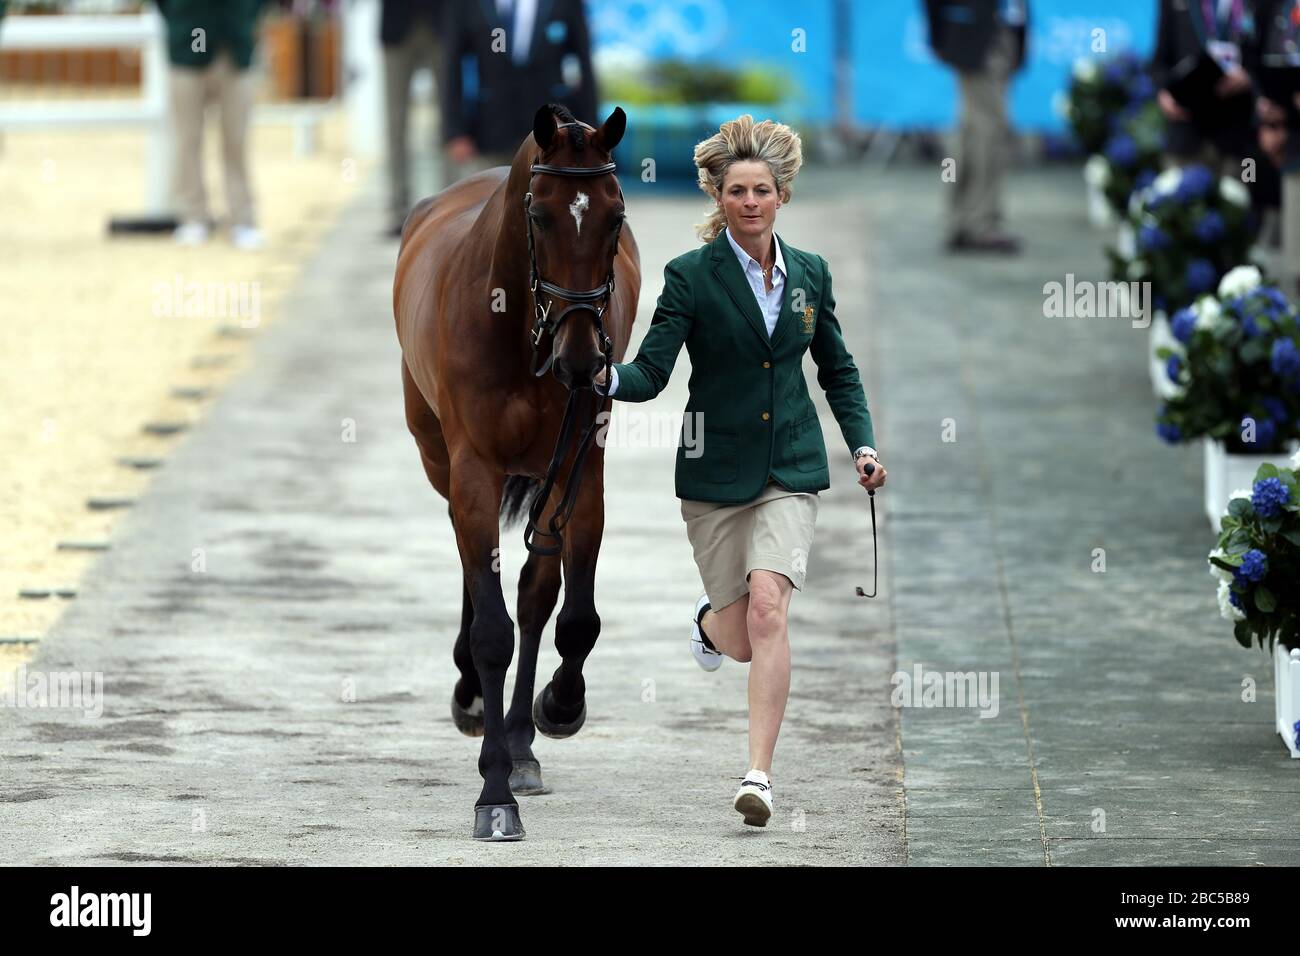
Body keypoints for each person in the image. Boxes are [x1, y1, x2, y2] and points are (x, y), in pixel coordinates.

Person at [592, 115, 887, 828]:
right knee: (740, 638)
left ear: (782, 195)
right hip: (713, 474)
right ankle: (705, 625)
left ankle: (759, 776)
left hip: (790, 465)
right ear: (718, 198)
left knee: (768, 608)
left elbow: (838, 371)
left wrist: (864, 448)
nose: (749, 202)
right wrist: (598, 377)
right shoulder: (691, 278)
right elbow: (654, 372)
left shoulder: (811, 274)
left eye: (761, 190)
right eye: (736, 192)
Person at [439, 0, 598, 181]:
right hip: (491, 131)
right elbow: (452, 65)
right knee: (494, 205)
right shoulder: (467, 4)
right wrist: (455, 131)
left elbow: (584, 64)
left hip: (551, 135)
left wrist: (590, 130)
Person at [157, 0, 267, 250]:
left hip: (234, 45)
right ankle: (194, 216)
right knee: (187, 140)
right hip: (187, 43)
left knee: (237, 141)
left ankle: (242, 219)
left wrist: (246, 21)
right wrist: (180, 20)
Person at [924, 0, 1030, 254]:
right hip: (978, 35)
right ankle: (980, 223)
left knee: (976, 131)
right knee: (987, 131)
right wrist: (938, 34)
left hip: (998, 32)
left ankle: (963, 220)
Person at [1153, 0, 1258, 172]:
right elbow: (1158, 63)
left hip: (1237, 135)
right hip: (1186, 132)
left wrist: (1249, 76)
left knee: (1237, 196)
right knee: (1181, 197)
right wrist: (1163, 93)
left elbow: (1272, 52)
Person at [381, 0, 446, 237]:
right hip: (397, 24)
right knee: (395, 125)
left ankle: (453, 204)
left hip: (440, 22)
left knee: (449, 121)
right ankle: (398, 209)